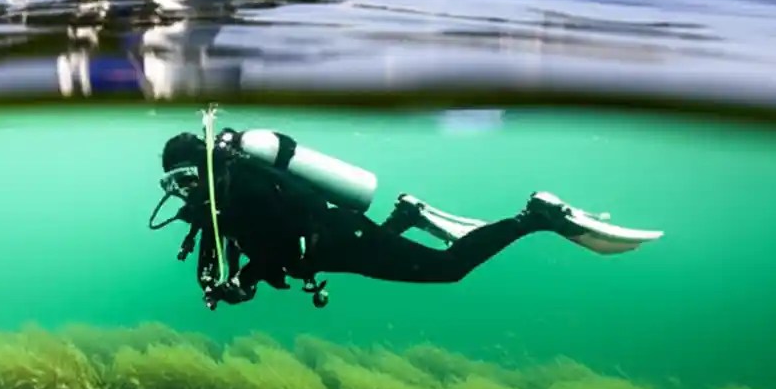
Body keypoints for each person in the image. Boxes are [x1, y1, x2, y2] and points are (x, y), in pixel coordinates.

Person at [148, 125, 663, 310]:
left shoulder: (244, 185)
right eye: (177, 186)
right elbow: (241, 260)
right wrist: (235, 283)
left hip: (338, 238)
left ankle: (536, 215)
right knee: (378, 252)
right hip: (339, 244)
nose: (185, 193)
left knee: (448, 269)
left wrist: (249, 276)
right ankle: (406, 213)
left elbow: (286, 233)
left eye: (188, 179)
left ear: (208, 168)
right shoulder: (216, 207)